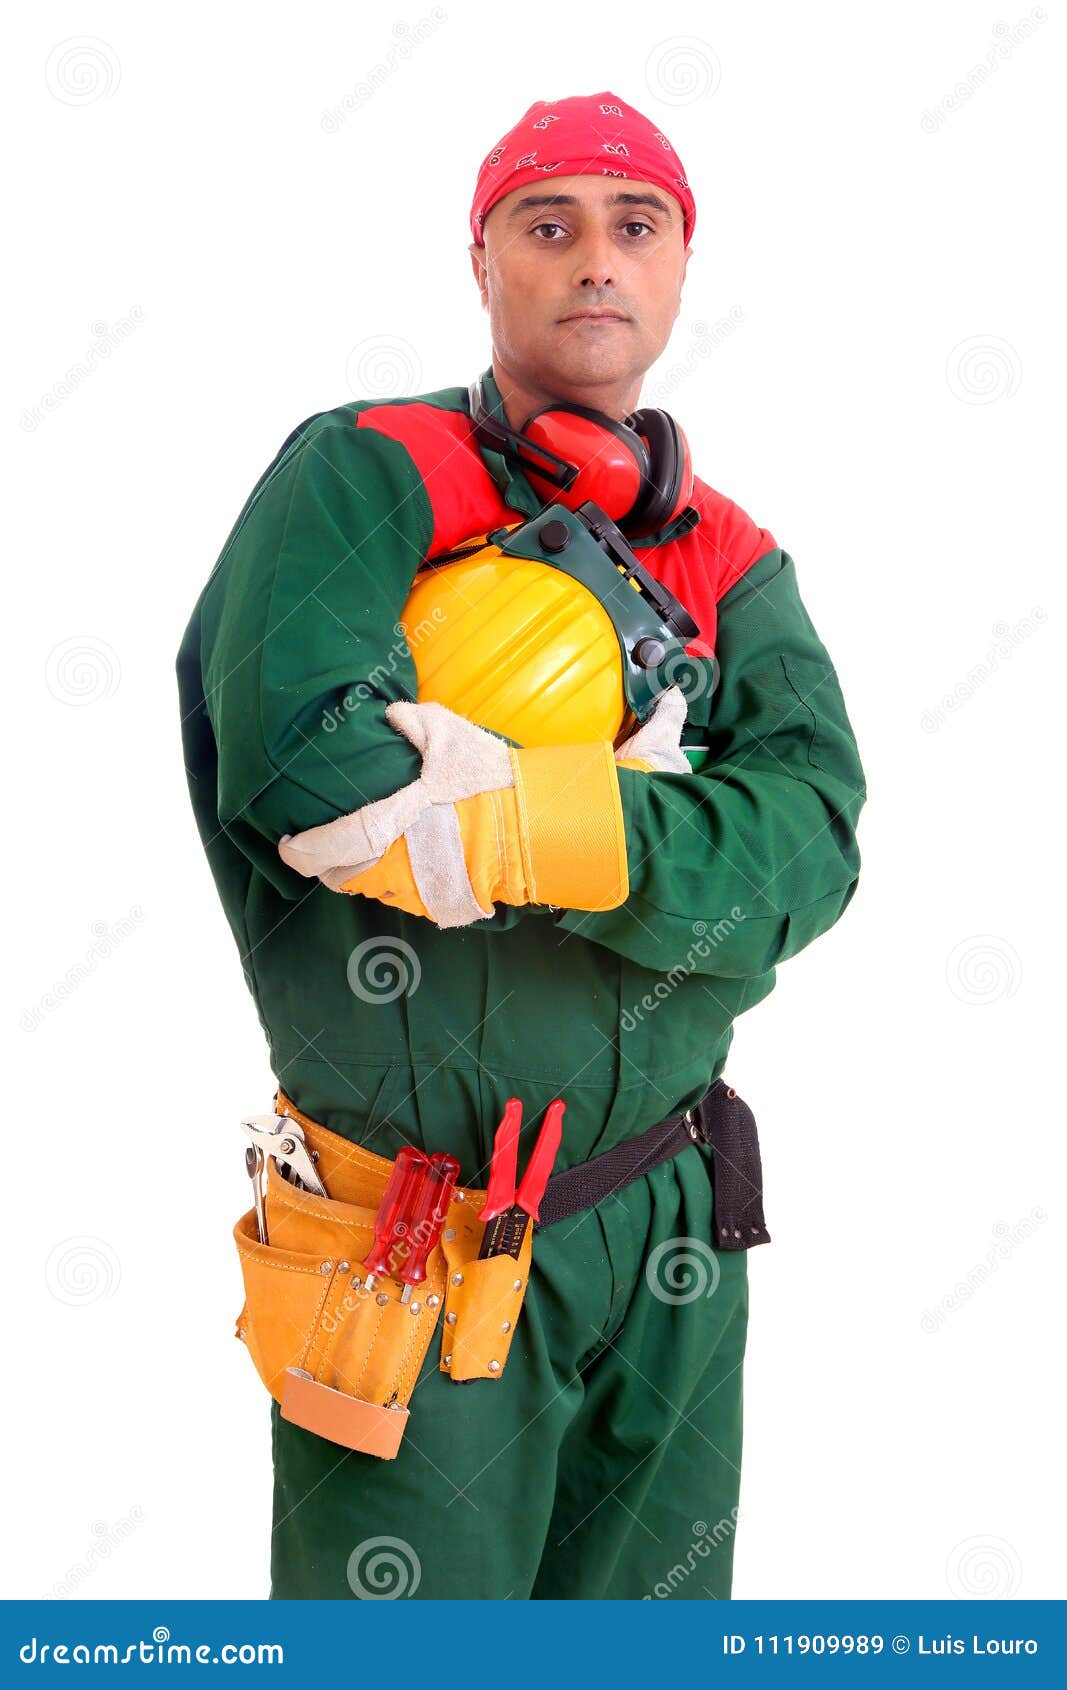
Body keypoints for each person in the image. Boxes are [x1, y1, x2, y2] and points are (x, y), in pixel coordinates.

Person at [176, 90, 866, 1601]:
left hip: (672, 1226)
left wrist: (535, 808)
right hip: (409, 1244)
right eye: (546, 227)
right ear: (481, 263)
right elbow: (312, 767)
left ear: (685, 267)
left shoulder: (730, 559)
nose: (594, 262)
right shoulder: (360, 474)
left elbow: (808, 847)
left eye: (636, 227)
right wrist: (655, 818)